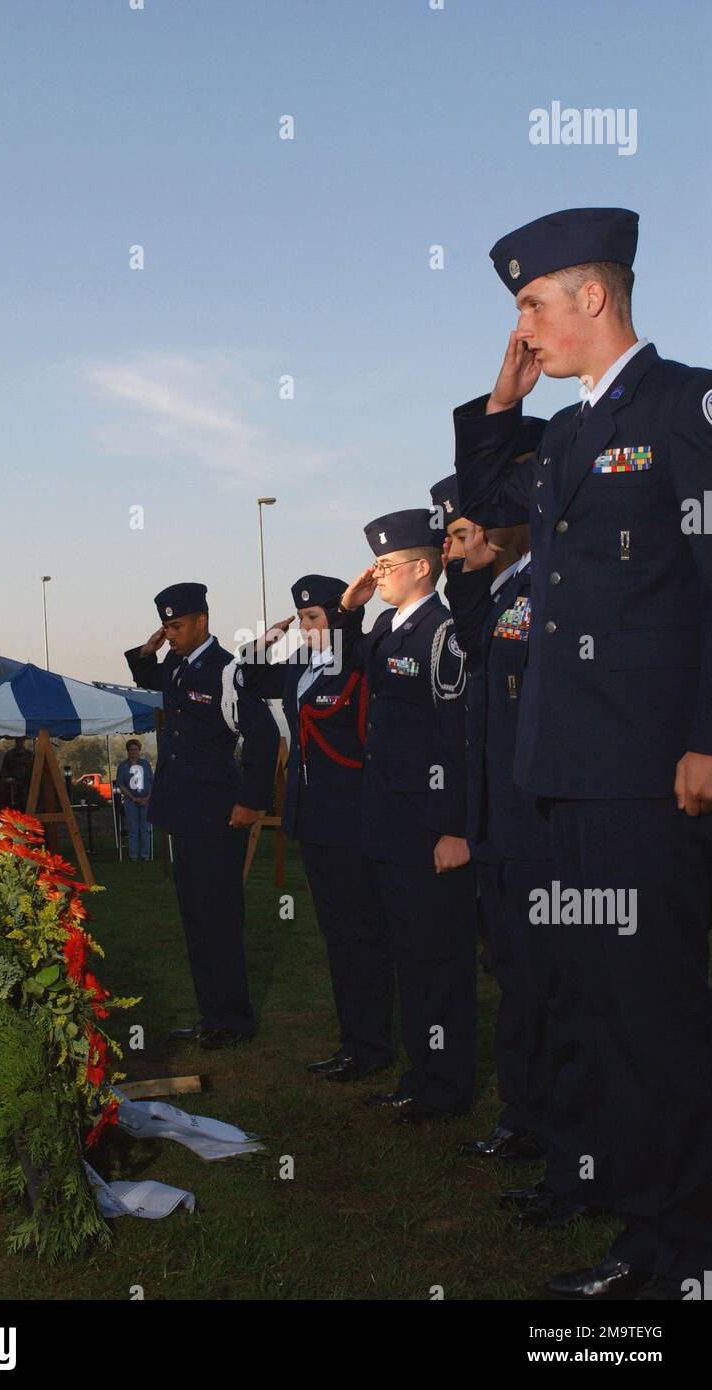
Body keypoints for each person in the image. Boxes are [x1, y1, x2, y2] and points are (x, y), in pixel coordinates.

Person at [453, 206, 712, 1299]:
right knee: (599, 1007)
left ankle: (685, 1250)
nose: (522, 327)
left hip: (647, 771)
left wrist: (705, 735)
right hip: (559, 769)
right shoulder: (559, 434)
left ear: (590, 298)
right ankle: (641, 1228)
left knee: (655, 1012)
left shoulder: (688, 404)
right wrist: (501, 406)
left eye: (529, 305)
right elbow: (486, 506)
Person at [439, 461, 575, 1228]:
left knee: (552, 991)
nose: (462, 543)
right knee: (517, 985)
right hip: (498, 825)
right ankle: (524, 1123)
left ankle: (572, 1153)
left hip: (538, 829)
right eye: (458, 532)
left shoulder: (546, 584)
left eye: (470, 529)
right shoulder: (498, 596)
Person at [338, 509, 478, 1125]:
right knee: (409, 961)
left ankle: (445, 1087)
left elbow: (457, 736)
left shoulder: (444, 632)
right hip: (390, 825)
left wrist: (453, 826)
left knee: (438, 964)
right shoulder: (390, 630)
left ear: (422, 567)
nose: (378, 574)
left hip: (427, 826)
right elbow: (349, 666)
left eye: (387, 565)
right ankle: (421, 1074)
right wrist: (350, 609)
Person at [237, 574, 394, 1081]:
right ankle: (353, 1040)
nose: (305, 627)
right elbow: (248, 680)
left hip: (352, 817)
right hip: (314, 819)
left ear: (336, 617)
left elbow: (352, 645)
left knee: (361, 933)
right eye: (301, 618)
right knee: (338, 935)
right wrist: (265, 643)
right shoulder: (301, 666)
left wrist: (346, 615)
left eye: (313, 617)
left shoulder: (357, 655)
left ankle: (372, 1045)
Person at [124, 582, 279, 1049]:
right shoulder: (176, 664)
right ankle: (211, 1014)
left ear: (201, 622)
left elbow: (265, 737)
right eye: (165, 626)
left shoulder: (228, 670)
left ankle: (234, 1018)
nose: (168, 634)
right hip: (185, 812)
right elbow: (149, 680)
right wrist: (146, 652)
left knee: (219, 919)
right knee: (195, 920)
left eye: (175, 626)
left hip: (218, 813)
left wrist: (251, 801)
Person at [115, 738, 153, 862]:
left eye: (136, 749)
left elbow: (152, 782)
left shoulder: (145, 764)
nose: (134, 752)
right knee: (133, 829)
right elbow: (121, 784)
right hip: (130, 801)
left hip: (145, 800)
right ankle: (133, 856)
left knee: (145, 829)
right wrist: (133, 798)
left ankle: (145, 855)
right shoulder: (123, 766)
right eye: (131, 749)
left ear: (139, 750)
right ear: (128, 751)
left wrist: (147, 797)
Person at [0, 736, 34, 812]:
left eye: (22, 741)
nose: (20, 743)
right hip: (13, 786)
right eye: (19, 741)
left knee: (27, 806)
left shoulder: (29, 754)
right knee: (14, 808)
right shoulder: (9, 754)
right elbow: (4, 771)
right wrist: (6, 780)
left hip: (27, 786)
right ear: (16, 741)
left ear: (24, 742)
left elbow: (34, 771)